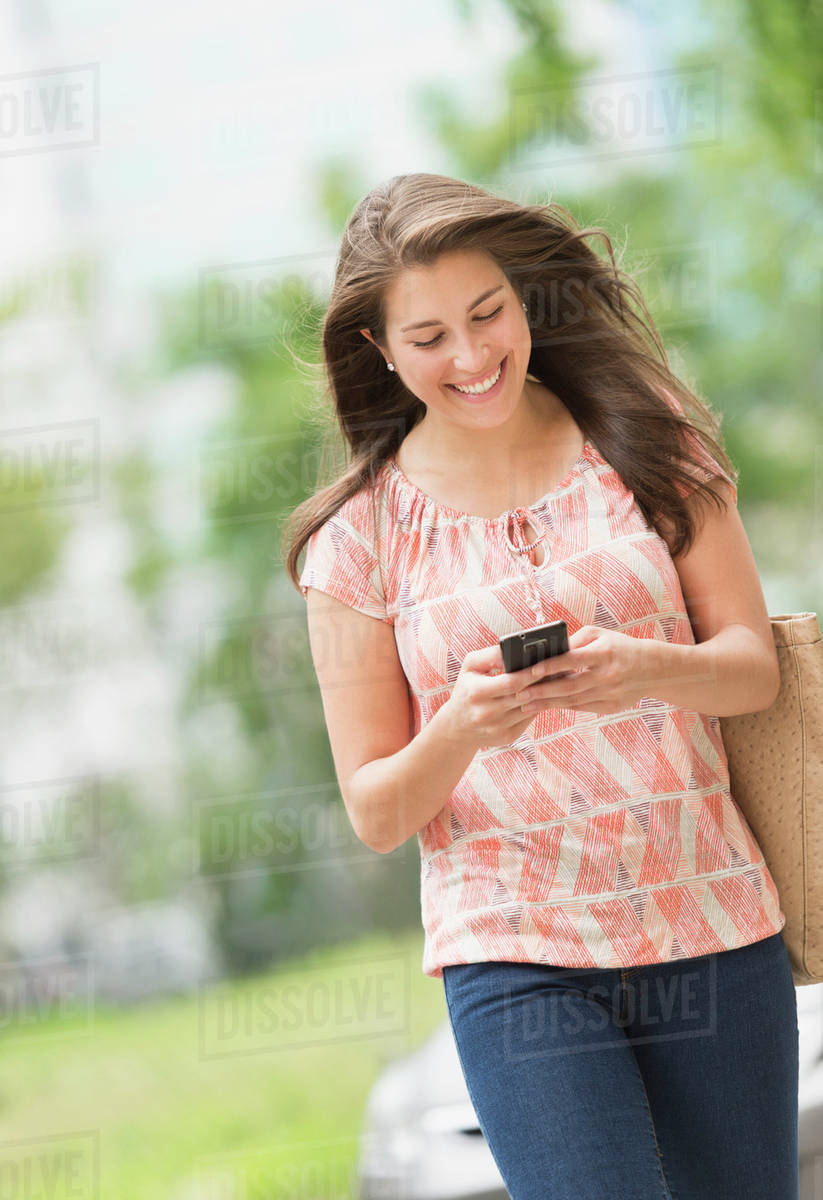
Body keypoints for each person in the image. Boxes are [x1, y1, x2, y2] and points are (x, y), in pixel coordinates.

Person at [284, 173, 798, 1199]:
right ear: (380, 351)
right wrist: (461, 729)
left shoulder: (643, 438)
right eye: (429, 338)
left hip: (709, 916)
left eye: (486, 314)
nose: (471, 358)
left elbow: (752, 669)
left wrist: (646, 667)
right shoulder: (356, 545)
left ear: (524, 299)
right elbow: (378, 809)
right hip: (514, 948)